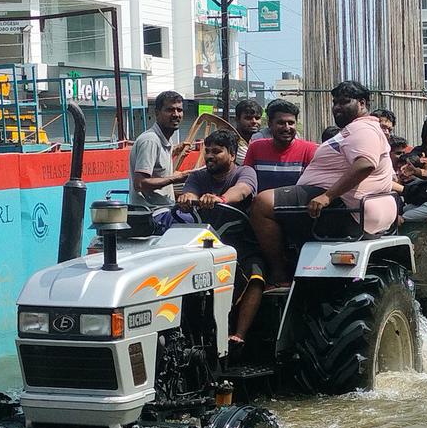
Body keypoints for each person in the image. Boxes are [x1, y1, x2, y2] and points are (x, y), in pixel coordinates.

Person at [250, 80, 396, 285]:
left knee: (261, 204)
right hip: (346, 205)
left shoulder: (362, 129)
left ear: (362, 103)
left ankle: (278, 274)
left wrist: (328, 196)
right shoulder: (357, 129)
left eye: (344, 102)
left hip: (341, 207)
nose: (337, 107)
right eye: (335, 102)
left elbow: (365, 164)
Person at [177, 129, 263, 346]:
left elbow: (242, 190)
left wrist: (221, 198)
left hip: (241, 244)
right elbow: (190, 192)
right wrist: (188, 198)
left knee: (256, 276)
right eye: (207, 151)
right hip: (206, 245)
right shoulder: (198, 176)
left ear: (232, 155)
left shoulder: (245, 172)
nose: (210, 156)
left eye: (217, 151)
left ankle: (239, 335)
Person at [129, 90, 191, 206]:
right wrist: (176, 178)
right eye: (170, 110)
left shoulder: (165, 140)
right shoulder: (150, 141)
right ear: (157, 113)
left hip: (164, 210)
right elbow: (140, 184)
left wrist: (174, 151)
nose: (176, 114)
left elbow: (157, 168)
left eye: (179, 110)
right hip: (151, 215)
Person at [243, 99, 317, 193]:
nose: (287, 128)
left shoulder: (309, 150)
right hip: (261, 206)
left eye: (291, 123)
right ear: (270, 124)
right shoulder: (255, 148)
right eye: (281, 123)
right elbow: (246, 181)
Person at [233, 99, 264, 163]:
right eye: (248, 118)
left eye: (257, 118)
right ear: (237, 119)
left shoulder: (264, 140)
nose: (254, 121)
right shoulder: (228, 141)